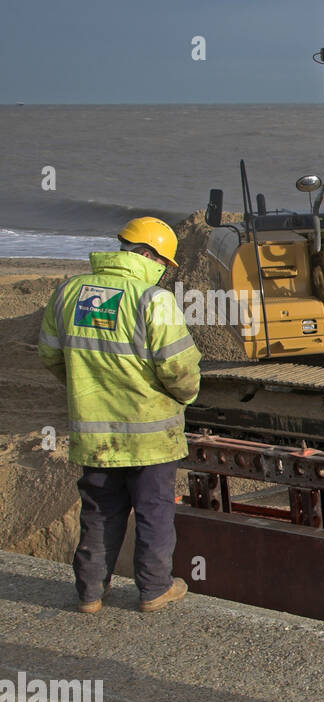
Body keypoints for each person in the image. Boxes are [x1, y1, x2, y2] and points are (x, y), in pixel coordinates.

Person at [38, 216, 202, 614]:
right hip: (150, 437)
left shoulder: (68, 292)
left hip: (96, 437)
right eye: (163, 264)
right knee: (154, 510)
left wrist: (84, 387)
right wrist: (185, 396)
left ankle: (90, 594)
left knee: (99, 511)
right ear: (148, 255)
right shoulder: (152, 300)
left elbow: (49, 353)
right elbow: (180, 370)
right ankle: (154, 590)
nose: (163, 273)